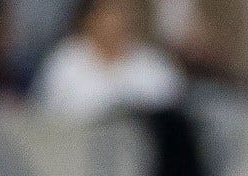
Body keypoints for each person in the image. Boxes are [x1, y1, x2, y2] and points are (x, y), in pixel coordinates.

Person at [33, 0, 183, 120]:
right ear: (89, 18)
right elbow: (42, 116)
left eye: (122, 12)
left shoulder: (154, 63)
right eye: (109, 12)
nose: (117, 20)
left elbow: (172, 117)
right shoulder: (64, 61)